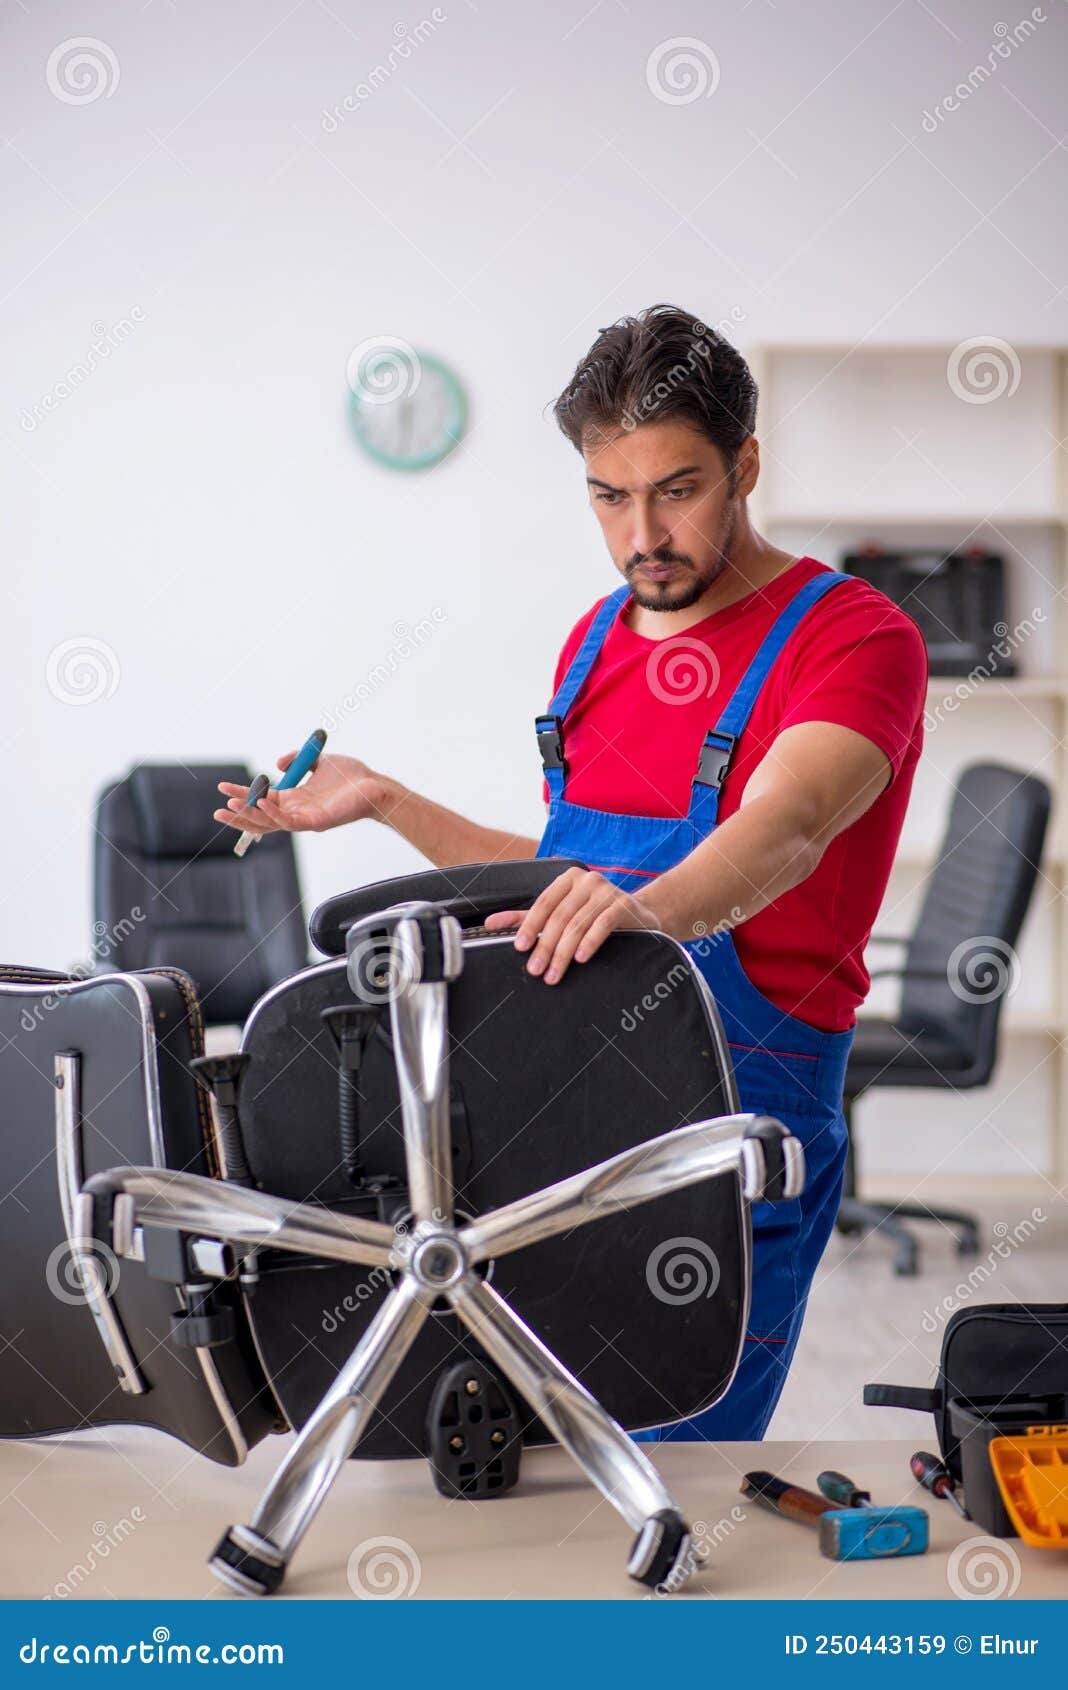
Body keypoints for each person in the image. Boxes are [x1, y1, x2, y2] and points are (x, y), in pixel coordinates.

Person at [214, 304, 927, 1440]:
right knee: (524, 1471)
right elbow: (561, 875)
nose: (643, 531)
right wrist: (387, 803)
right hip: (551, 1116)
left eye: (677, 489)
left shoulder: (851, 637)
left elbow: (785, 829)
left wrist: (640, 914)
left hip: (732, 1125)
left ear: (745, 464)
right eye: (609, 494)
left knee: (668, 1468)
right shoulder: (595, 644)